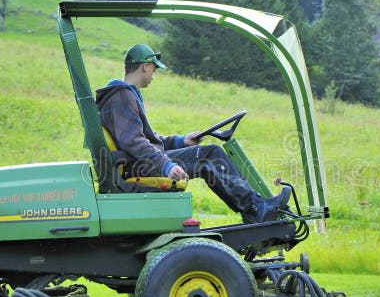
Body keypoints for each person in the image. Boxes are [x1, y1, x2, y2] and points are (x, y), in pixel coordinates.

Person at [95, 43, 291, 223]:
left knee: (206, 154)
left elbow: (146, 140)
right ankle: (256, 209)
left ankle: (254, 209)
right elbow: (134, 142)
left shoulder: (125, 94)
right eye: (154, 68)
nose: (154, 74)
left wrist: (182, 141)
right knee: (209, 155)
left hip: (138, 162)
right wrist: (165, 166)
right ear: (145, 66)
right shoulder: (122, 96)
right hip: (136, 166)